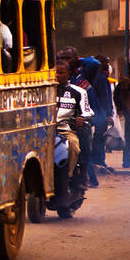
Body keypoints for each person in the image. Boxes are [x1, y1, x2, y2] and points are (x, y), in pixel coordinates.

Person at [53, 54, 92, 204]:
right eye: (56, 72)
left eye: (61, 72)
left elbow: (87, 111)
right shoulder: (46, 90)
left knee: (74, 146)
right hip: (44, 131)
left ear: (69, 74)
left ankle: (68, 176)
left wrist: (82, 118)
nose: (58, 75)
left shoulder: (79, 92)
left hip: (65, 130)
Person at [114, 61, 130, 169]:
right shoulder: (126, 81)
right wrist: (124, 110)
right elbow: (117, 95)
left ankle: (128, 161)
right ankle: (127, 161)